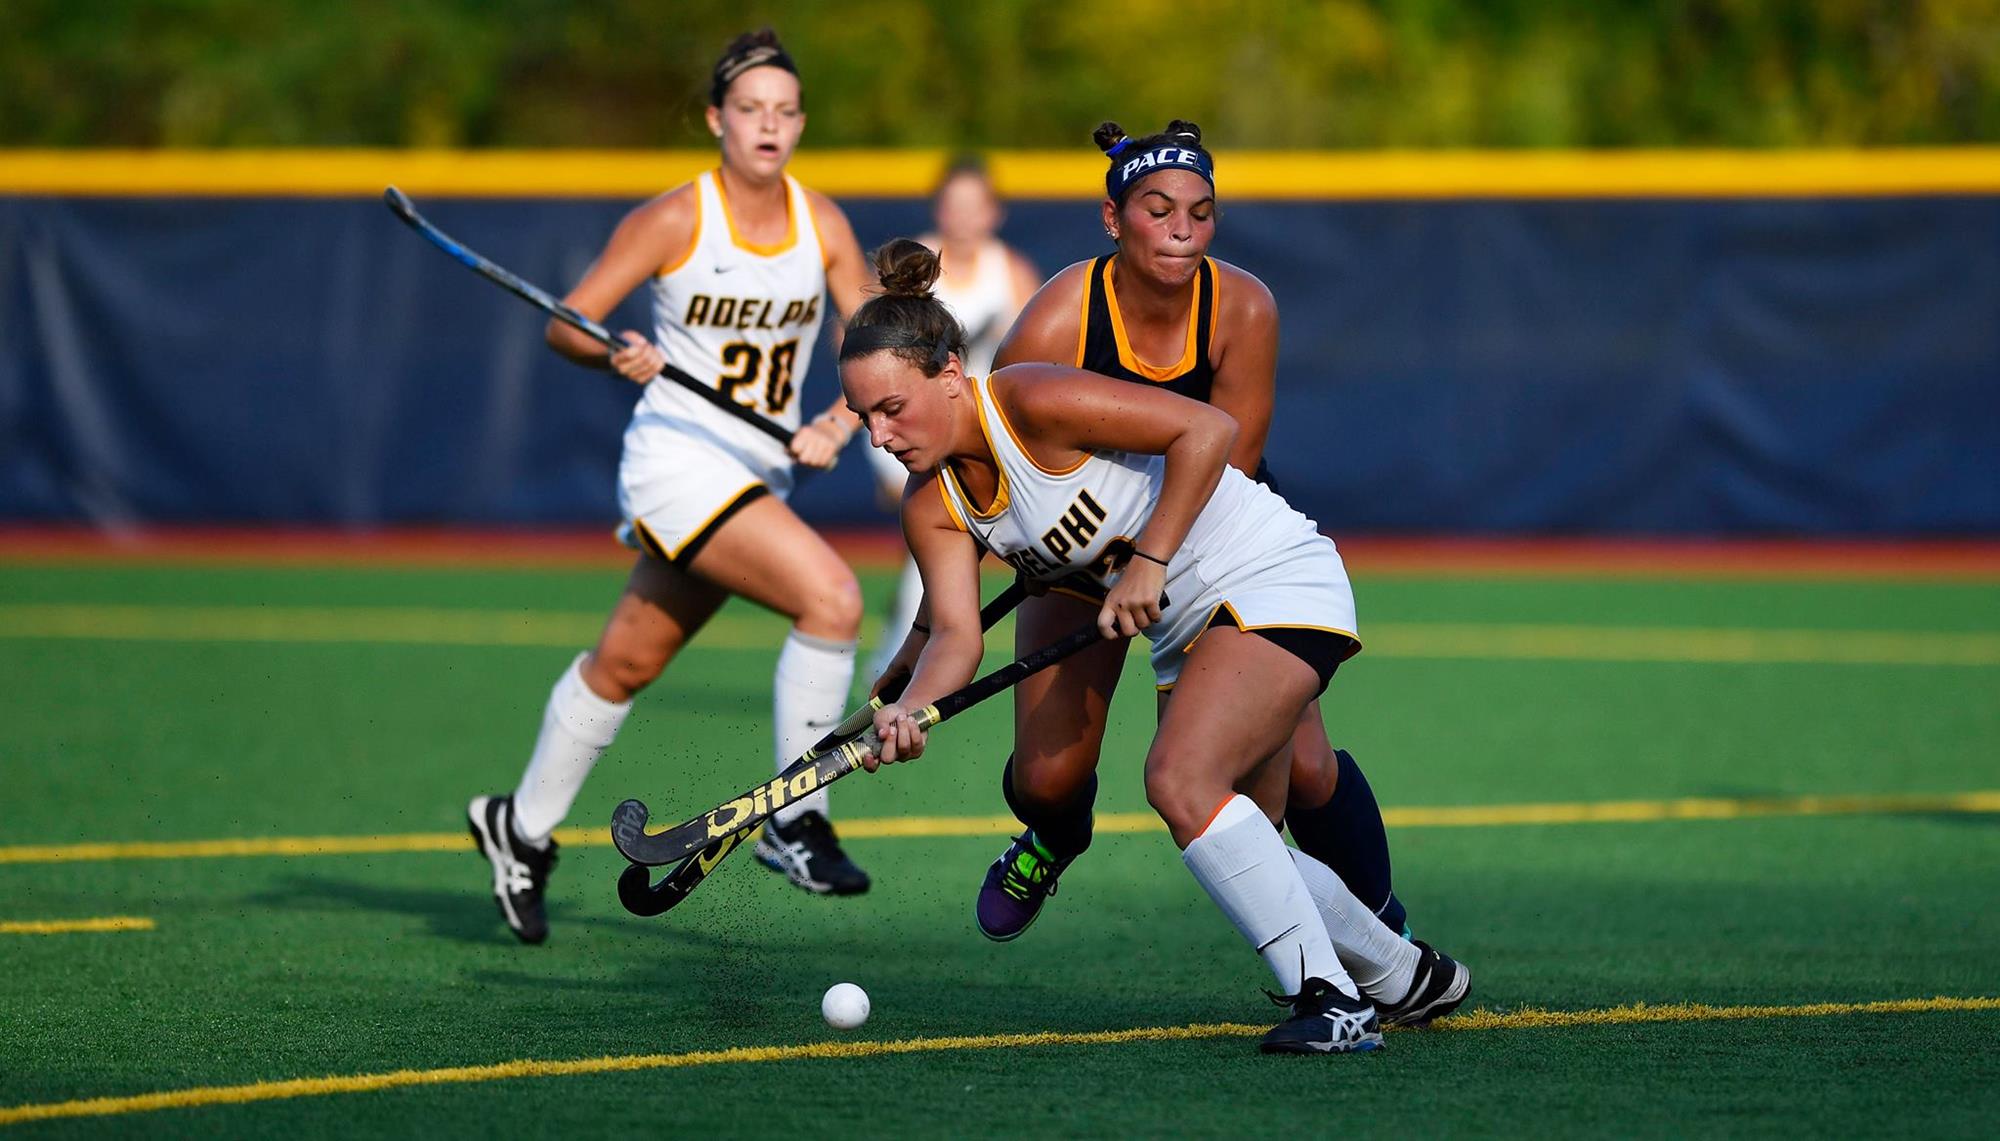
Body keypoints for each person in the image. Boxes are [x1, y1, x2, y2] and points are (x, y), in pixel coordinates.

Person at [840, 239, 1468, 1052]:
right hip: (1187, 625)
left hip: (1267, 571)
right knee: (1242, 832)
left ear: (951, 373)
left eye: (892, 407)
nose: (880, 434)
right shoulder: (931, 505)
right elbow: (956, 633)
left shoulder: (1030, 399)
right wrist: (913, 711)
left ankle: (1329, 1000)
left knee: (1180, 778)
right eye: (865, 417)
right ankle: (1406, 975)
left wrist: (1150, 560)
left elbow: (1206, 429)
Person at [877, 121, 1413, 950]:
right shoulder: (1058, 318)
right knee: (1045, 777)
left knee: (1296, 765)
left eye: (1199, 212)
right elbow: (989, 473)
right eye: (1158, 210)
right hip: (1073, 548)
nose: (1181, 230)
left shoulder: (1243, 305)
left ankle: (1386, 934)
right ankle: (1055, 835)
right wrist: (924, 639)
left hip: (1206, 538)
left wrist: (1151, 560)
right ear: (1113, 219)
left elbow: (1233, 460)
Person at [467, 29, 875, 945]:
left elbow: (872, 343)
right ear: (717, 119)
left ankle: (519, 828)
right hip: (678, 467)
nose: (767, 126)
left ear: (800, 123)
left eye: (784, 111)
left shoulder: (823, 223)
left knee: (625, 664)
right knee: (833, 597)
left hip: (758, 475)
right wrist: (615, 350)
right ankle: (796, 819)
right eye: (750, 109)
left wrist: (839, 420)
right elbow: (568, 324)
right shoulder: (674, 218)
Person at [863, 157, 1040, 685]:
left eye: (974, 206)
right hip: (913, 421)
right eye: (953, 205)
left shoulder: (1008, 271)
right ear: (939, 209)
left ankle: (904, 653)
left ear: (993, 213)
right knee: (934, 532)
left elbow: (1031, 357)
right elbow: (869, 351)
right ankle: (909, 656)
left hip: (977, 427)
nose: (963, 218)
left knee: (937, 542)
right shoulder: (911, 266)